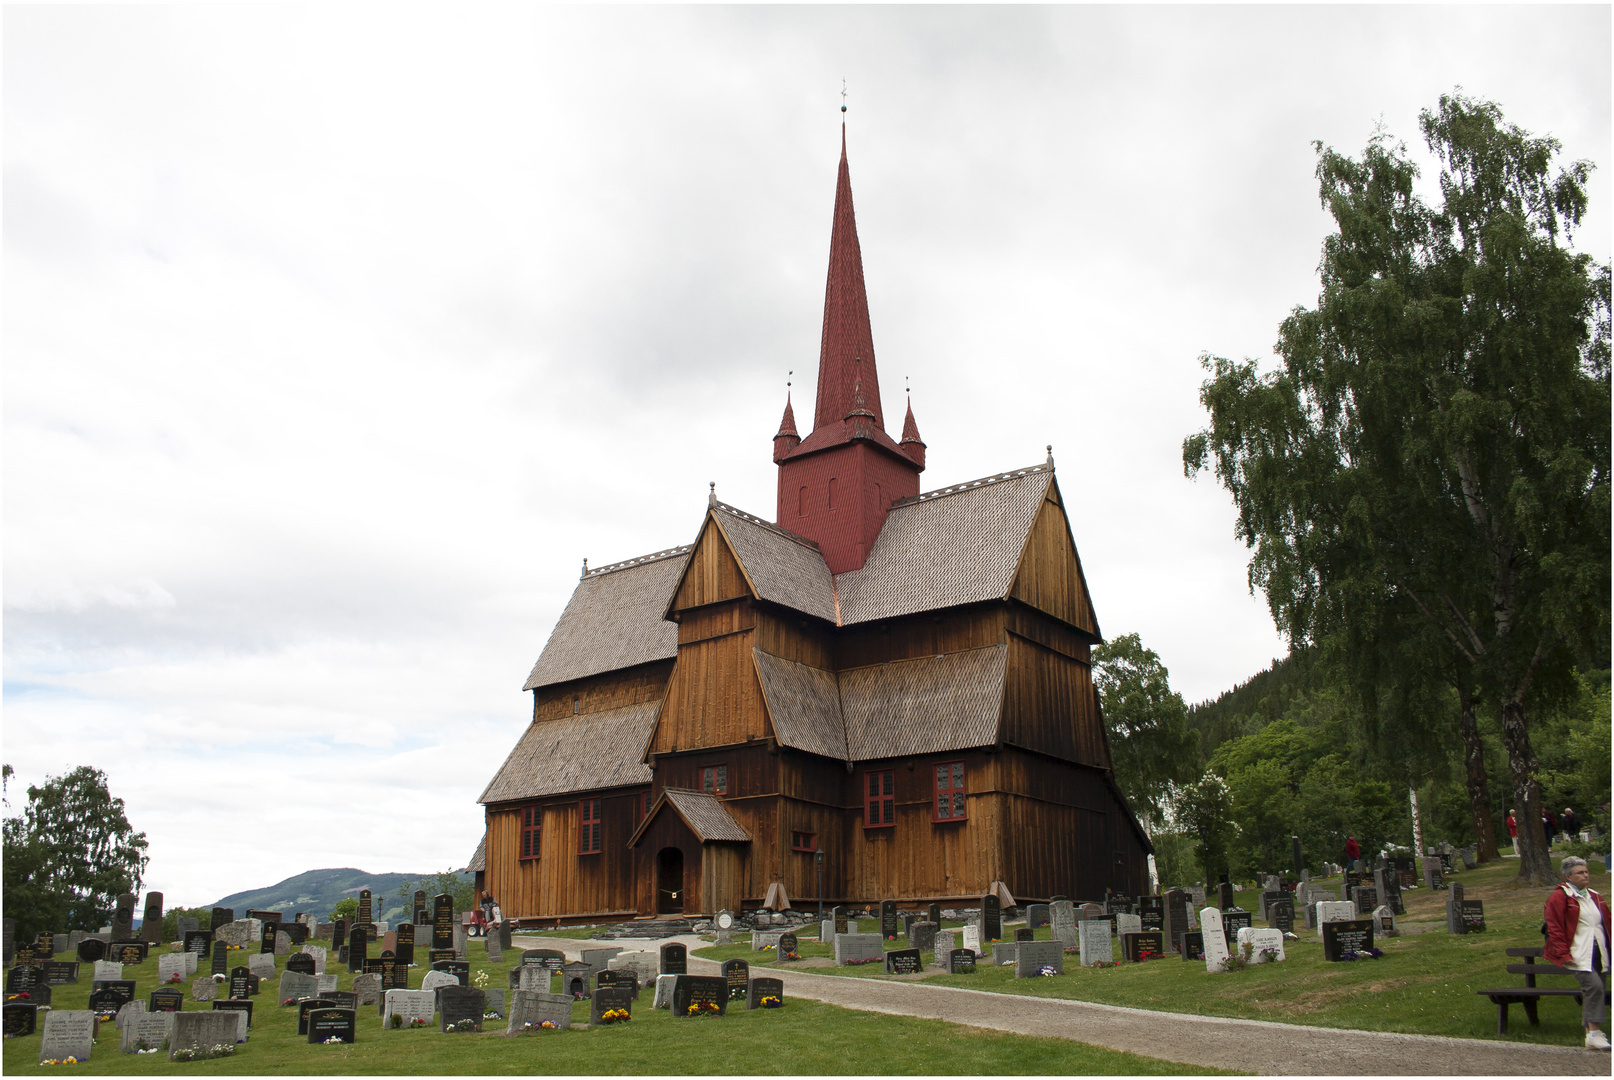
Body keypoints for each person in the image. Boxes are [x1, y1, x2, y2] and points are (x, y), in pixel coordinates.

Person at [1545, 856, 1611, 1051]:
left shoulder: (1595, 896)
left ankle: (1590, 1035)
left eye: (1586, 871)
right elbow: (1554, 928)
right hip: (1577, 953)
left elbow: (1607, 923)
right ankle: (1596, 1032)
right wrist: (1563, 954)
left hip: (1598, 951)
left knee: (1593, 989)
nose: (1585, 875)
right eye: (1580, 872)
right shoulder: (1560, 897)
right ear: (1568, 876)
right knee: (1595, 987)